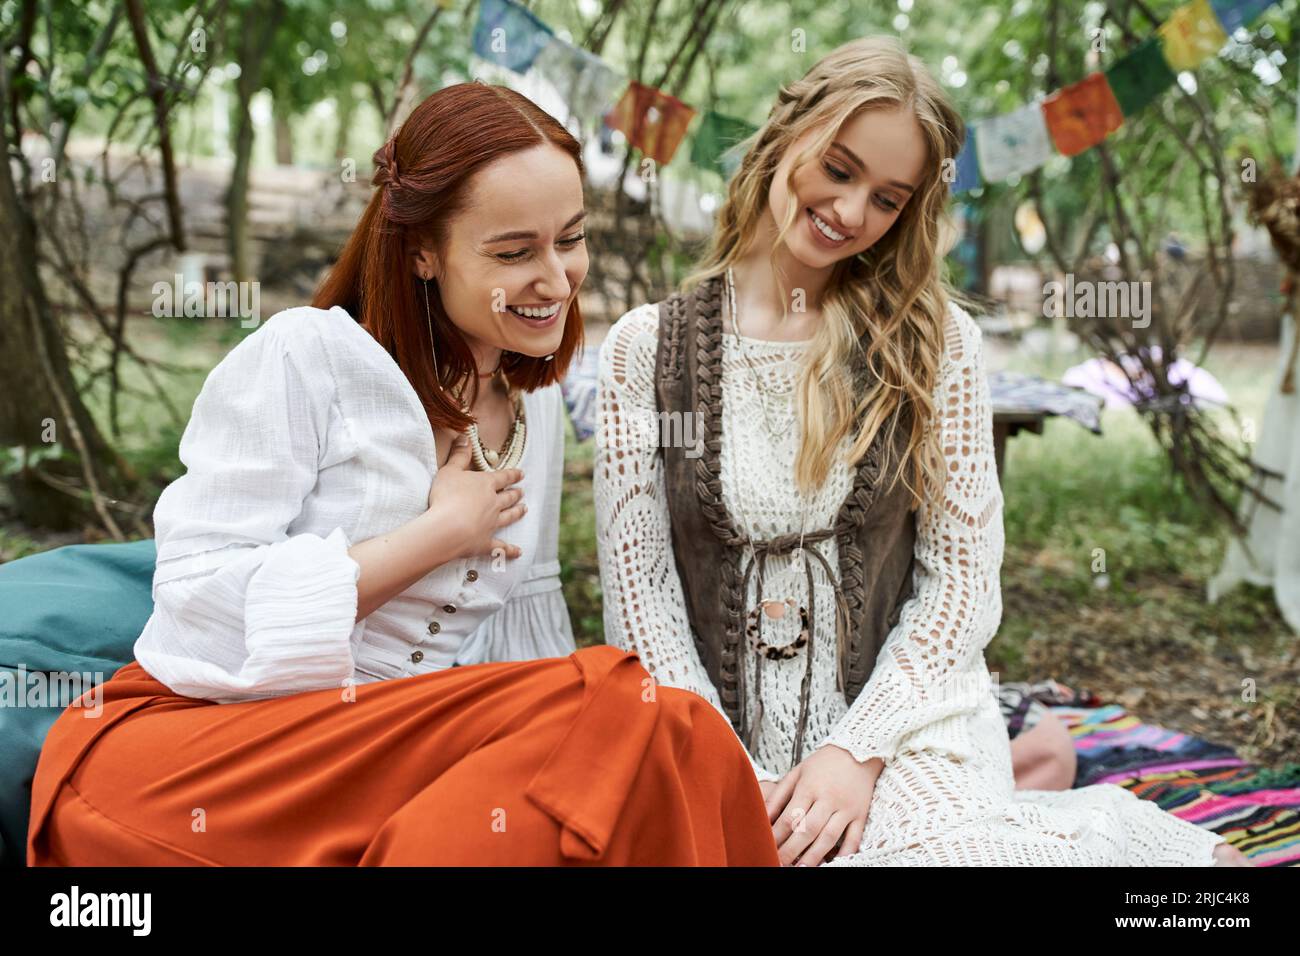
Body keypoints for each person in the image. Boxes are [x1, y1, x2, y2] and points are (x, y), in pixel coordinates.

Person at [27, 82, 779, 867]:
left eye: (572, 239)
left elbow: (522, 632)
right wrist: (439, 533)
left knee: (655, 735)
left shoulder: (535, 404)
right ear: (422, 250)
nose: (556, 280)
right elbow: (199, 603)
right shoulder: (306, 357)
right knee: (623, 703)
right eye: (514, 252)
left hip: (390, 763)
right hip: (202, 758)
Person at [593, 36, 1250, 867]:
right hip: (709, 733)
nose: (852, 211)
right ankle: (1069, 823)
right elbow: (641, 599)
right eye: (838, 167)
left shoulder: (935, 344)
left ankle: (1143, 852)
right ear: (786, 133)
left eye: (888, 198)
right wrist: (726, 771)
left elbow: (962, 585)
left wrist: (856, 749)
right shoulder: (641, 350)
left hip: (909, 718)